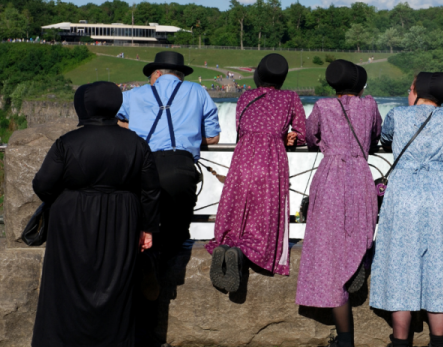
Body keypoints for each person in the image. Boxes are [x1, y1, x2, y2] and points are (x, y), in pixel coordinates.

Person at [31, 81, 160, 347]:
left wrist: (68, 202)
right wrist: (147, 227)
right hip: (123, 218)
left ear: (83, 106)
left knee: (67, 283)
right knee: (117, 285)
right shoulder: (137, 143)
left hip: (72, 218)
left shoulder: (66, 143)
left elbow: (43, 185)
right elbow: (151, 190)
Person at [116, 51, 220, 345]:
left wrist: (133, 129)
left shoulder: (135, 94)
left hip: (143, 166)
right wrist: (188, 136)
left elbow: (113, 119)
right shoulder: (197, 91)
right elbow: (213, 137)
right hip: (180, 167)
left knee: (142, 230)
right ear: (179, 75)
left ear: (157, 75)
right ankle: (163, 268)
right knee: (177, 233)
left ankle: (148, 262)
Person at [370, 72, 443, 347]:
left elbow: (387, 137)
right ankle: (439, 342)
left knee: (402, 264)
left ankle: (401, 340)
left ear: (417, 90)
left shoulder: (398, 115)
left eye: (410, 87)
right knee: (440, 263)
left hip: (404, 191)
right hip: (441, 190)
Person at [296, 60, 382, 347]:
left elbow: (310, 137)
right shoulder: (370, 106)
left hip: (330, 176)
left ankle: (345, 338)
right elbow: (375, 136)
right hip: (359, 175)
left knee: (329, 250)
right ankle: (356, 262)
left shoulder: (323, 106)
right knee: (359, 233)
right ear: (360, 85)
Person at [207, 53, 306, 292]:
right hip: (271, 158)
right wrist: (290, 137)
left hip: (243, 157)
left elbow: (241, 128)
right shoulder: (290, 98)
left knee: (239, 203)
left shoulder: (245, 97)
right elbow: (302, 133)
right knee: (266, 209)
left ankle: (229, 243)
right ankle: (245, 252)